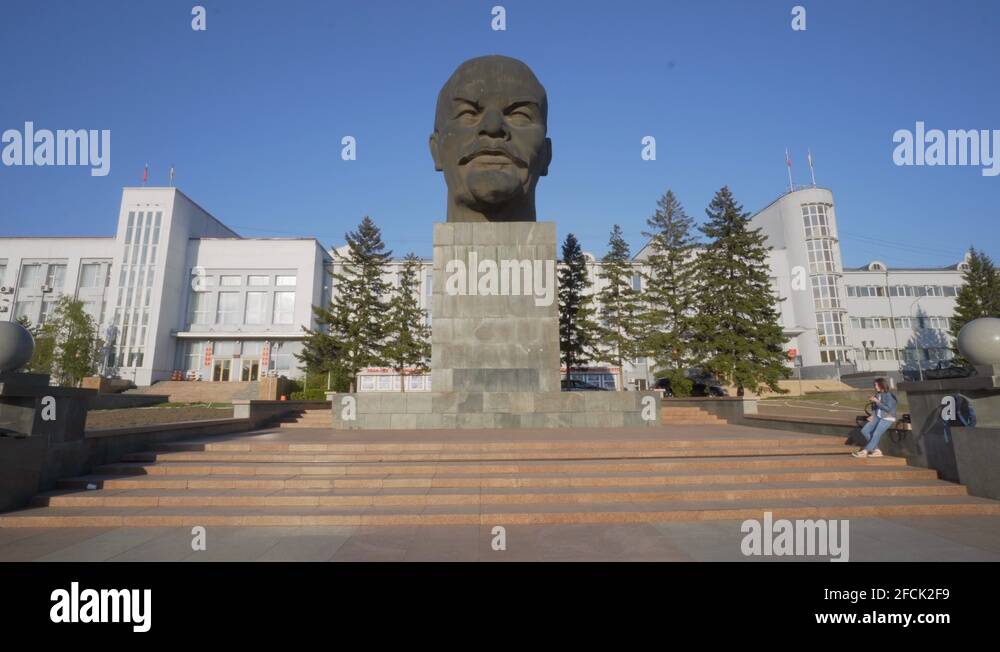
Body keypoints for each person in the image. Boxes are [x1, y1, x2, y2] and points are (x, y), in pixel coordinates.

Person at [852, 378, 897, 458]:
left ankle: (865, 451)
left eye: (876, 385)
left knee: (876, 434)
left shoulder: (889, 395)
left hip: (887, 418)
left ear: (882, 385)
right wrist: (872, 415)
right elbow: (874, 407)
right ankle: (877, 450)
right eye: (874, 385)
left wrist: (877, 402)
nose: (875, 387)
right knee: (865, 430)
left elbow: (888, 409)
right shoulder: (878, 395)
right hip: (877, 417)